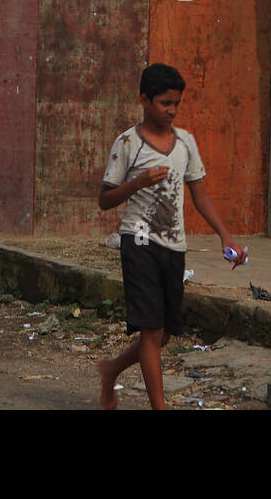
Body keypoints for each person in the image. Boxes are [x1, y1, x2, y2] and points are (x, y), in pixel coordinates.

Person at [96, 62, 247, 409]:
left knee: (161, 335)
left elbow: (200, 194)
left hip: (174, 246)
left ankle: (111, 370)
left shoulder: (185, 143)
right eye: (165, 103)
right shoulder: (128, 143)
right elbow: (104, 199)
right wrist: (137, 183)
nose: (171, 110)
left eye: (176, 103)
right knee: (150, 332)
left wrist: (226, 235)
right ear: (144, 100)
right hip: (139, 242)